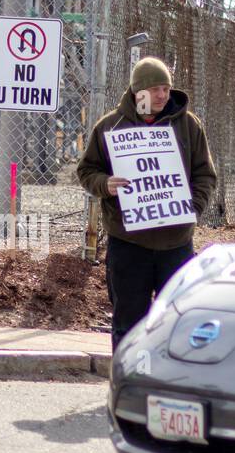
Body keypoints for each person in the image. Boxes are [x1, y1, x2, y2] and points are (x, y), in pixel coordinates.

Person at [76, 56, 217, 348]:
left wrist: (193, 207)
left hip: (176, 243)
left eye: (166, 89)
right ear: (138, 92)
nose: (163, 95)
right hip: (128, 243)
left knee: (175, 324)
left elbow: (205, 174)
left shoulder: (189, 126)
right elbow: (87, 171)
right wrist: (105, 185)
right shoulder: (110, 127)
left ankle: (167, 385)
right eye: (155, 90)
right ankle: (128, 385)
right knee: (128, 324)